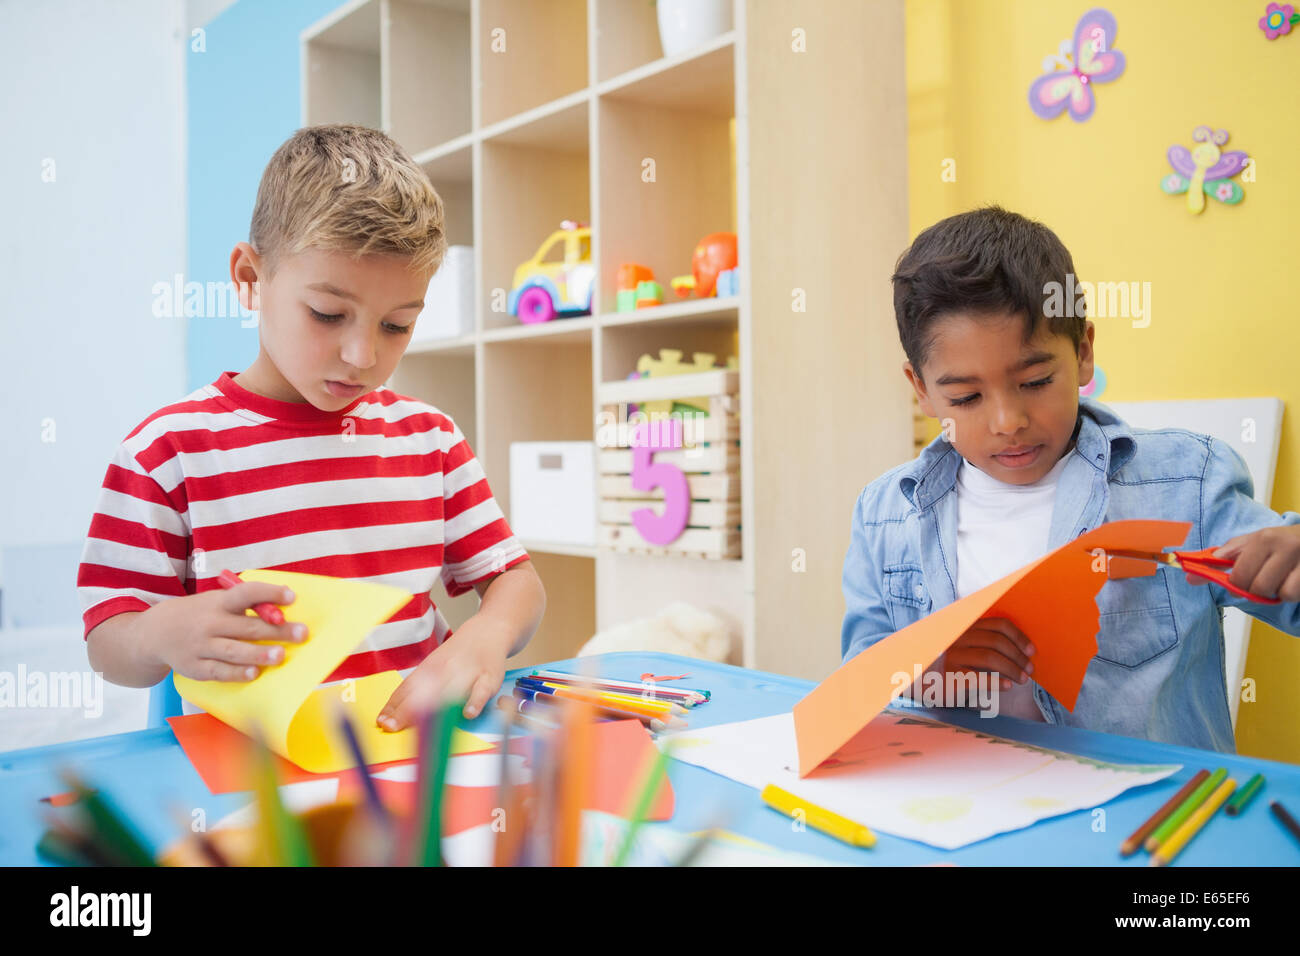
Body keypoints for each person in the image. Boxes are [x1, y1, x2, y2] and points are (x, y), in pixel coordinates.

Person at [78, 124, 545, 732]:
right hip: (256, 784)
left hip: (412, 762)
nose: (361, 355)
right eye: (328, 314)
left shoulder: (429, 441)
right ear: (249, 279)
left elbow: (516, 580)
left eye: (396, 325)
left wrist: (491, 632)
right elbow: (110, 643)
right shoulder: (166, 454)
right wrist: (156, 634)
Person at [841, 205, 1300, 752]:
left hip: (1145, 819)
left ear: (1082, 352)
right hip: (963, 814)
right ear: (920, 388)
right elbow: (858, 685)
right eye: (965, 398)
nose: (1008, 422)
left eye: (1035, 382)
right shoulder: (884, 511)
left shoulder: (1186, 484)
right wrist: (926, 670)